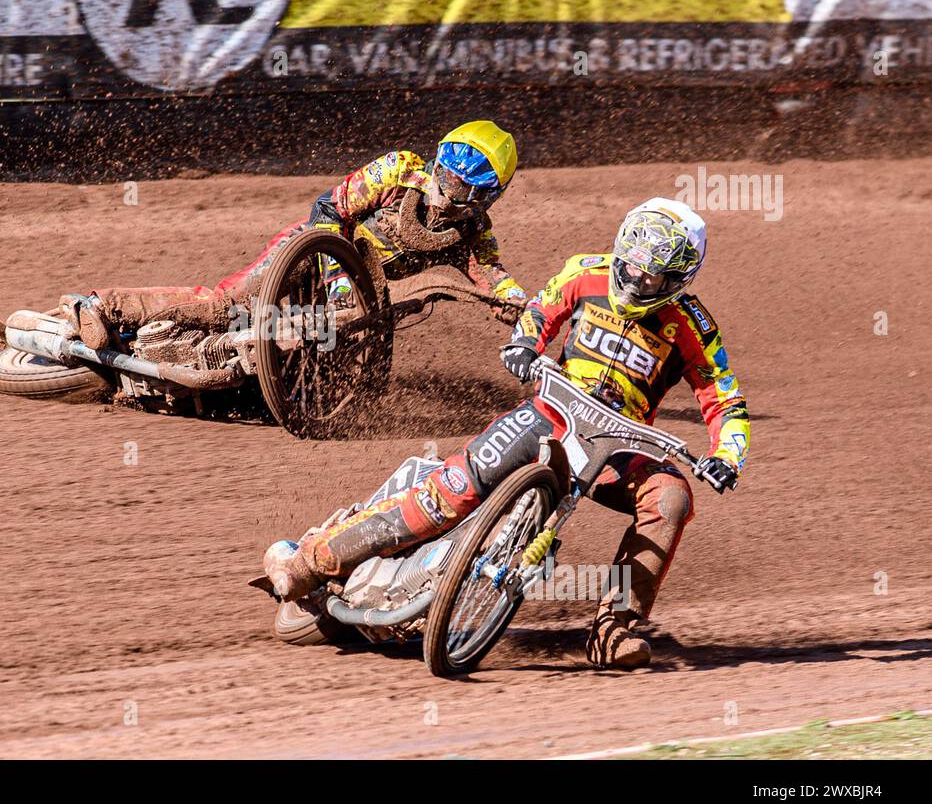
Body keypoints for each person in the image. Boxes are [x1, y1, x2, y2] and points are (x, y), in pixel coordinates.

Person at [263, 198, 750, 669]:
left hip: (618, 446)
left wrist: (727, 454)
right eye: (632, 265)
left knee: (671, 500)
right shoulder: (586, 271)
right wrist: (524, 344)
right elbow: (541, 309)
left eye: (653, 275)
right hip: (549, 410)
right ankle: (309, 562)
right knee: (450, 494)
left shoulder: (692, 326)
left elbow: (725, 399)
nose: (638, 279)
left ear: (679, 279)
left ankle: (613, 627)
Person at [54, 121, 530, 349]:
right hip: (308, 253)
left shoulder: (474, 233)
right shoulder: (398, 171)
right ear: (436, 164)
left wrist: (521, 307)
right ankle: (97, 305)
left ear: (489, 197)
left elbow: (493, 274)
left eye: (466, 191)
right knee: (230, 307)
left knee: (317, 345)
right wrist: (341, 279)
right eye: (446, 179)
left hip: (352, 304)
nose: (449, 197)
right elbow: (327, 208)